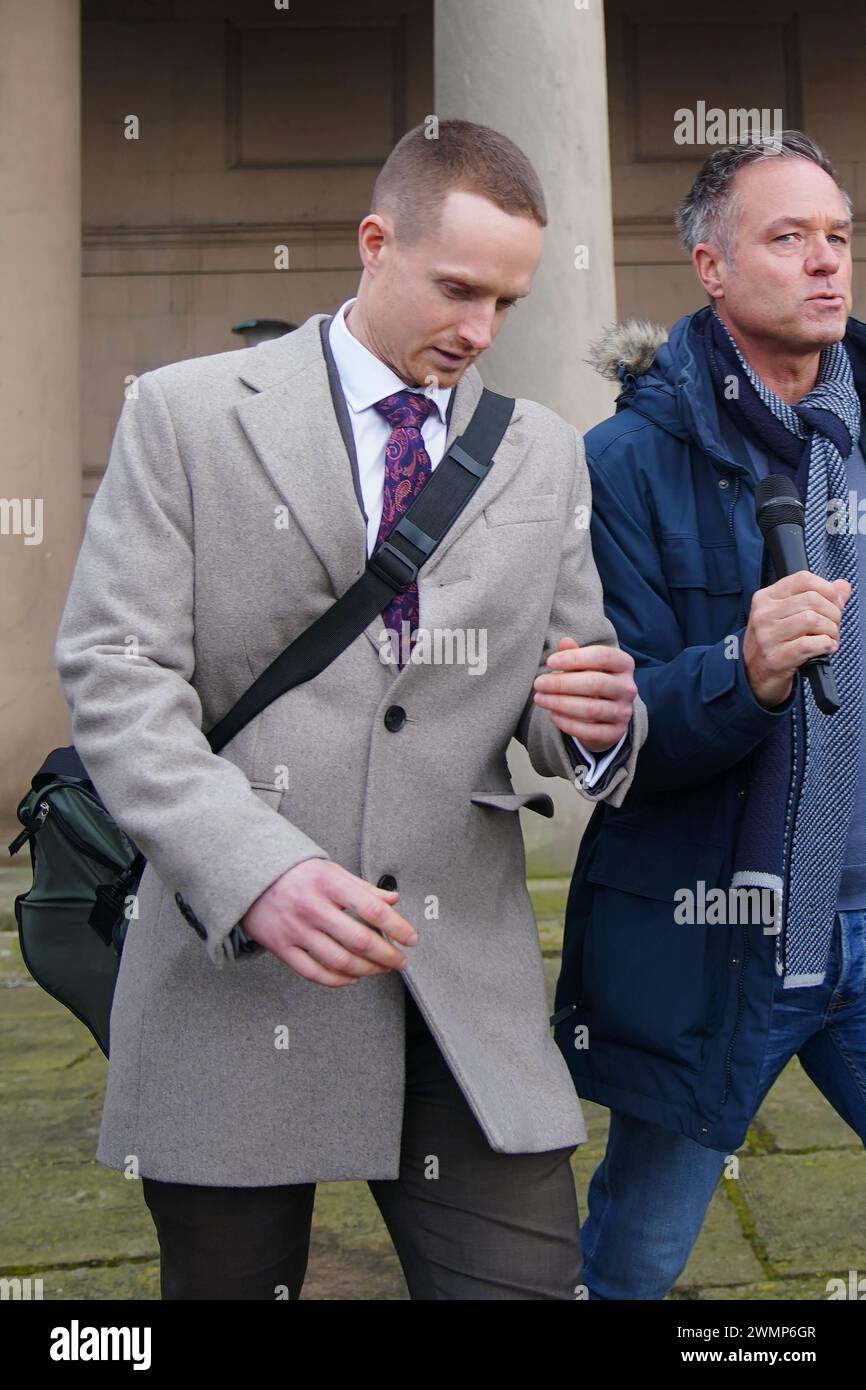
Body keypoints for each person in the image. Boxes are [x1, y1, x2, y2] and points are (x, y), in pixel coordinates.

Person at [55, 119, 645, 1301]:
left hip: (455, 976)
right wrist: (255, 870)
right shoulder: (184, 412)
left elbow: (560, 680)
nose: (479, 331)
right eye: (458, 288)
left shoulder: (541, 451)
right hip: (233, 961)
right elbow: (120, 676)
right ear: (375, 244)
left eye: (507, 303)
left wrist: (592, 721)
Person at [554, 130, 866, 1299]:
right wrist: (738, 670)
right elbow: (610, 737)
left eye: (836, 236)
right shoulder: (622, 463)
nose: (825, 263)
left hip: (864, 926)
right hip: (716, 931)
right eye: (786, 237)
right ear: (710, 266)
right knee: (632, 1258)